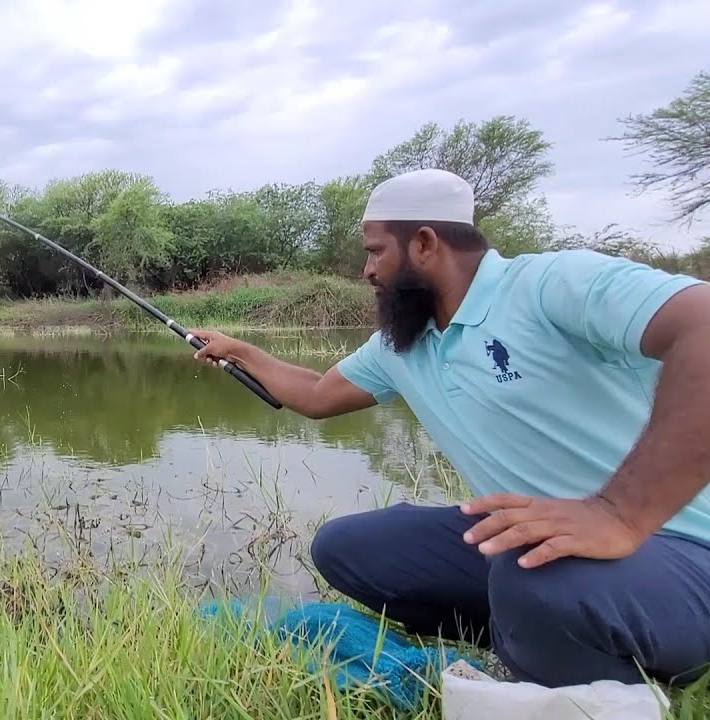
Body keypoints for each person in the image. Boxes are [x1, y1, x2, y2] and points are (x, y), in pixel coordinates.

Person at [189, 168, 710, 689]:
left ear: (423, 243)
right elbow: (318, 394)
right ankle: (536, 636)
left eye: (375, 251)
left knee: (533, 577)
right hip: (532, 542)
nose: (367, 271)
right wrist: (244, 353)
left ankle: (602, 671)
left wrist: (619, 513)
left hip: (679, 552)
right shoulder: (404, 344)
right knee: (346, 549)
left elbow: (702, 322)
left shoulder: (550, 284)